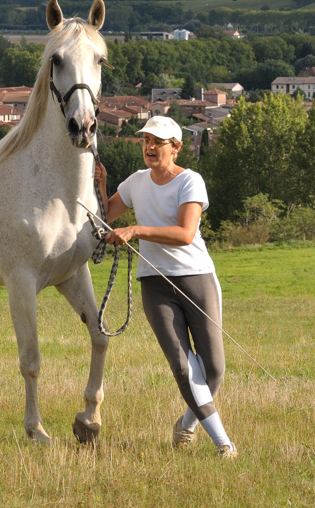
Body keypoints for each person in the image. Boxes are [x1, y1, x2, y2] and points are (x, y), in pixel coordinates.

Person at [94, 116, 236, 457]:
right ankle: (224, 444)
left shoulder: (190, 181)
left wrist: (136, 230)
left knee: (214, 370)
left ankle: (186, 424)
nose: (150, 147)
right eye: (146, 141)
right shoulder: (136, 181)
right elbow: (106, 215)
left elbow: (185, 234)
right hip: (154, 283)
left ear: (176, 147)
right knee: (182, 365)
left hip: (197, 277)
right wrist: (102, 184)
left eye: (158, 142)